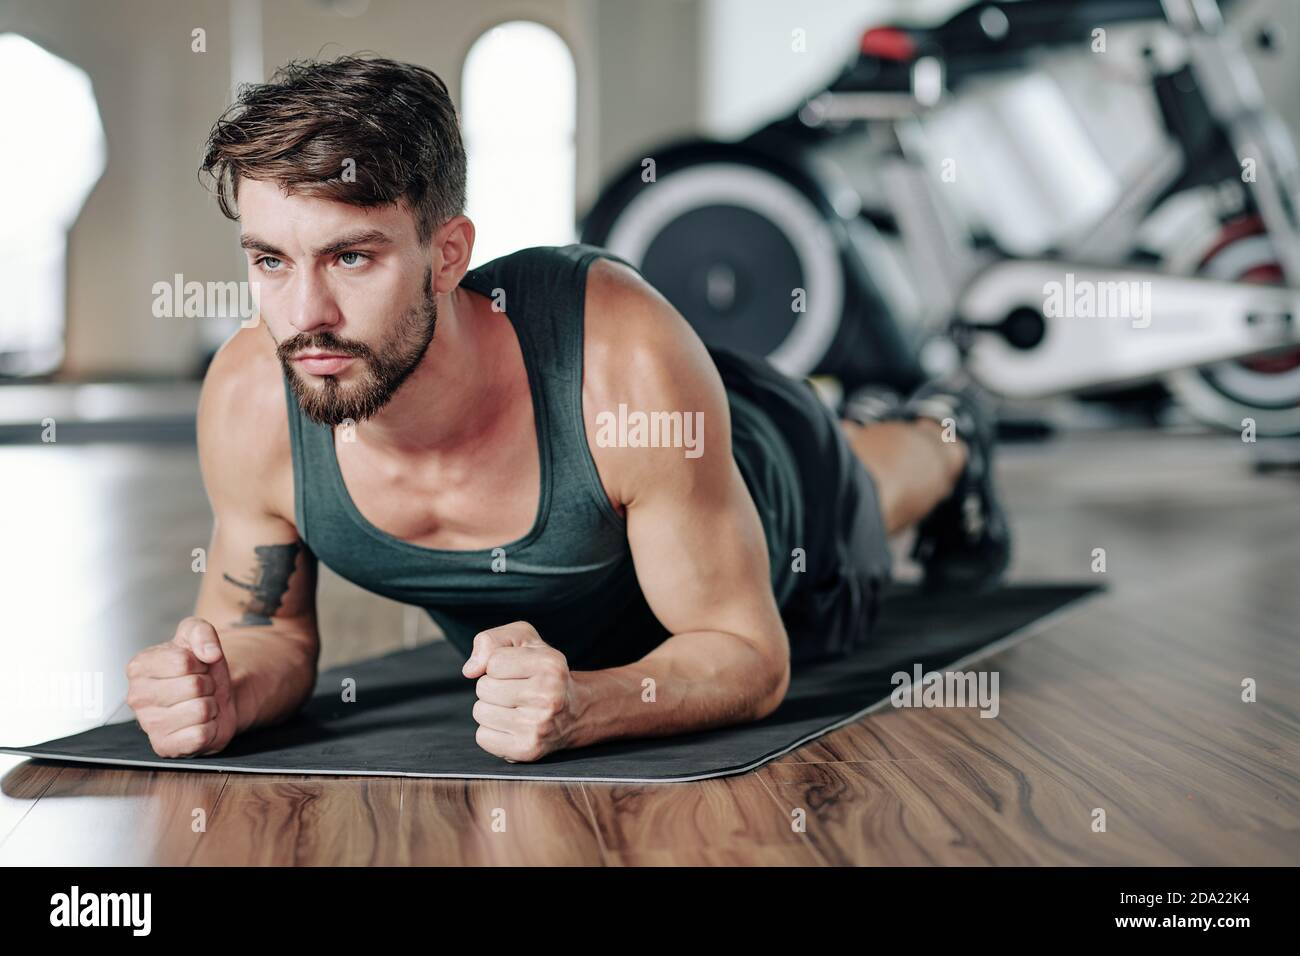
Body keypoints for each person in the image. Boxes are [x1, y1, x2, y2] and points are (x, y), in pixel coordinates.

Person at [124, 56, 1010, 763]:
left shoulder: (620, 358)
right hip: (641, 460)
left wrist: (588, 704)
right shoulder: (251, 397)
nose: (304, 315)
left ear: (447, 254)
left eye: (351, 259)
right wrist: (221, 689)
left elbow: (743, 648)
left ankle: (951, 432)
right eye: (271, 261)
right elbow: (267, 632)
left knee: (878, 478)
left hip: (763, 477)